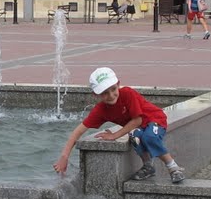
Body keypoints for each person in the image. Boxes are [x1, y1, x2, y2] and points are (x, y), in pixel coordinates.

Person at [54, 66, 186, 184]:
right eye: (105, 93)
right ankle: (148, 166)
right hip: (139, 127)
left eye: (113, 89)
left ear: (118, 84)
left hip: (155, 119)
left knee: (149, 137)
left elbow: (138, 120)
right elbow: (78, 131)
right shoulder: (100, 110)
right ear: (96, 94)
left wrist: (115, 135)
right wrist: (64, 157)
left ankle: (173, 168)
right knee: (135, 136)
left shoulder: (128, 93)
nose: (111, 95)